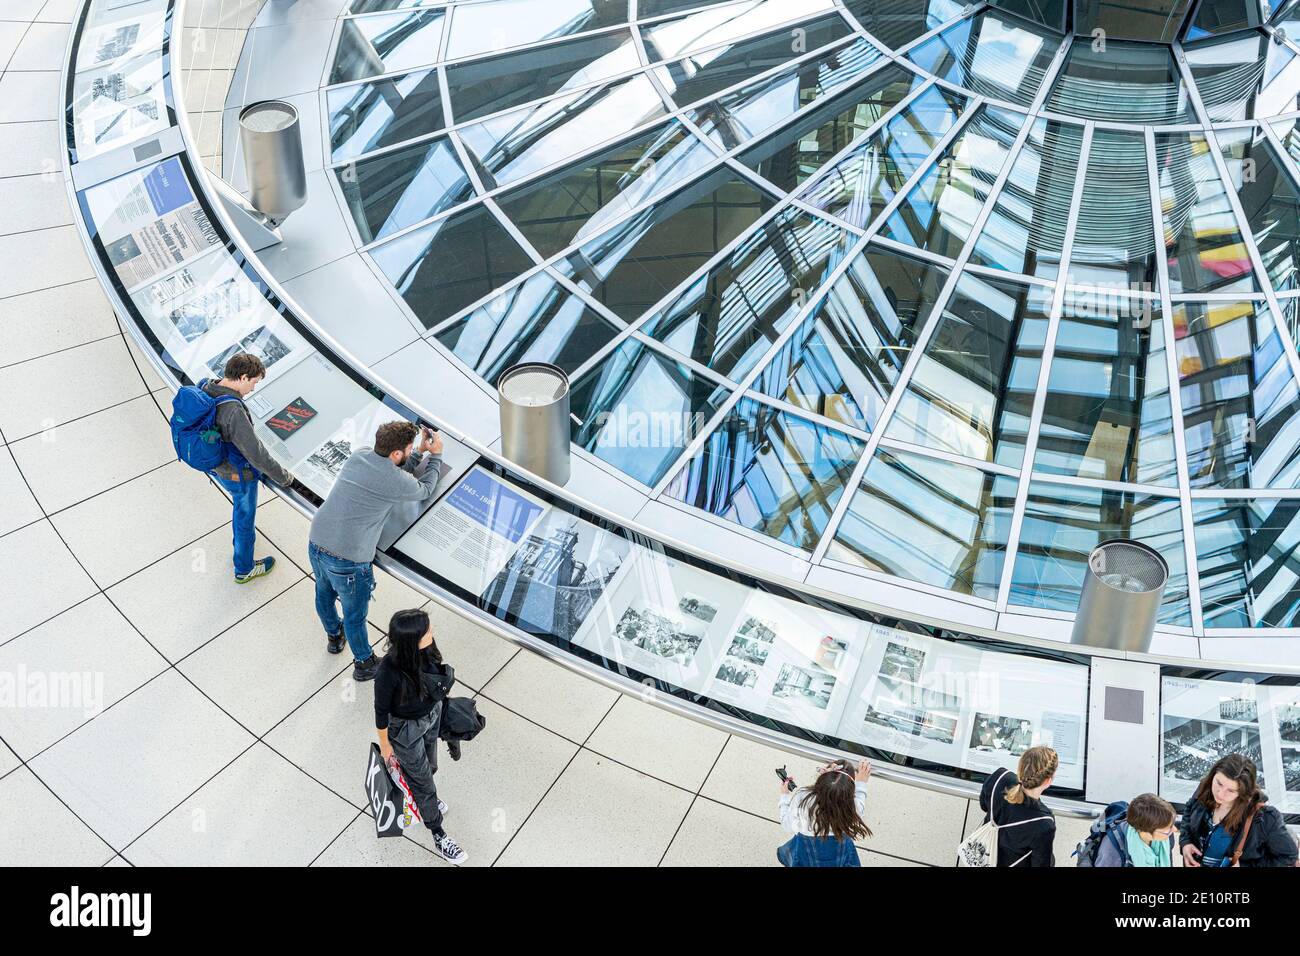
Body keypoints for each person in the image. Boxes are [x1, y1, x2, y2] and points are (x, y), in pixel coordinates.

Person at [309, 421, 442, 681]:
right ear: (397, 453)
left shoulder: (360, 455)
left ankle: (334, 637)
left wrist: (417, 452)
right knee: (355, 615)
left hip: (317, 539)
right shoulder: (395, 479)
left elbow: (391, 473)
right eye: (409, 448)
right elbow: (424, 489)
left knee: (323, 593)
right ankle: (364, 663)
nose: (410, 451)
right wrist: (435, 455)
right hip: (348, 557)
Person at [374, 609, 466, 865]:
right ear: (411, 640)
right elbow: (380, 711)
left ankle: (425, 796)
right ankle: (438, 832)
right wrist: (385, 745)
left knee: (431, 766)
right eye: (426, 630)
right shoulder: (387, 672)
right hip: (406, 731)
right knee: (423, 780)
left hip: (431, 716)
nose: (432, 630)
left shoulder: (427, 650)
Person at [203, 354, 294, 583]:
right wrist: (284, 478)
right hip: (236, 474)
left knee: (240, 510)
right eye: (254, 382)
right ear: (243, 377)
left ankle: (241, 552)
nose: (253, 388)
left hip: (214, 463)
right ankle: (244, 569)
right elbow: (257, 454)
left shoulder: (206, 386)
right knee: (244, 517)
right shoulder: (233, 410)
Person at [1179, 754, 1298, 868]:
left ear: (1243, 792)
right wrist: (1185, 842)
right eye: (1219, 783)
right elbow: (1189, 809)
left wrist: (1245, 866)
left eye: (1231, 790)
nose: (1220, 793)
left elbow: (1288, 857)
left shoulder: (1265, 818)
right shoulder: (1206, 787)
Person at [776, 758, 872, 867]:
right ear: (850, 792)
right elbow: (859, 802)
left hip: (806, 857)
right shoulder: (852, 806)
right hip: (840, 859)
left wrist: (784, 796)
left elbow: (787, 825)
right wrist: (861, 783)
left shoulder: (803, 797)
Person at [978, 745, 1058, 867]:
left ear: (1021, 767)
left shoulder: (1000, 777)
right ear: (1048, 781)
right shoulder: (1044, 824)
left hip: (981, 857)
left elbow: (984, 805)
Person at [1093, 793, 1181, 867]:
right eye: (1168, 828)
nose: (1175, 829)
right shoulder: (1111, 852)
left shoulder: (1166, 839)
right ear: (1146, 831)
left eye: (1172, 824)